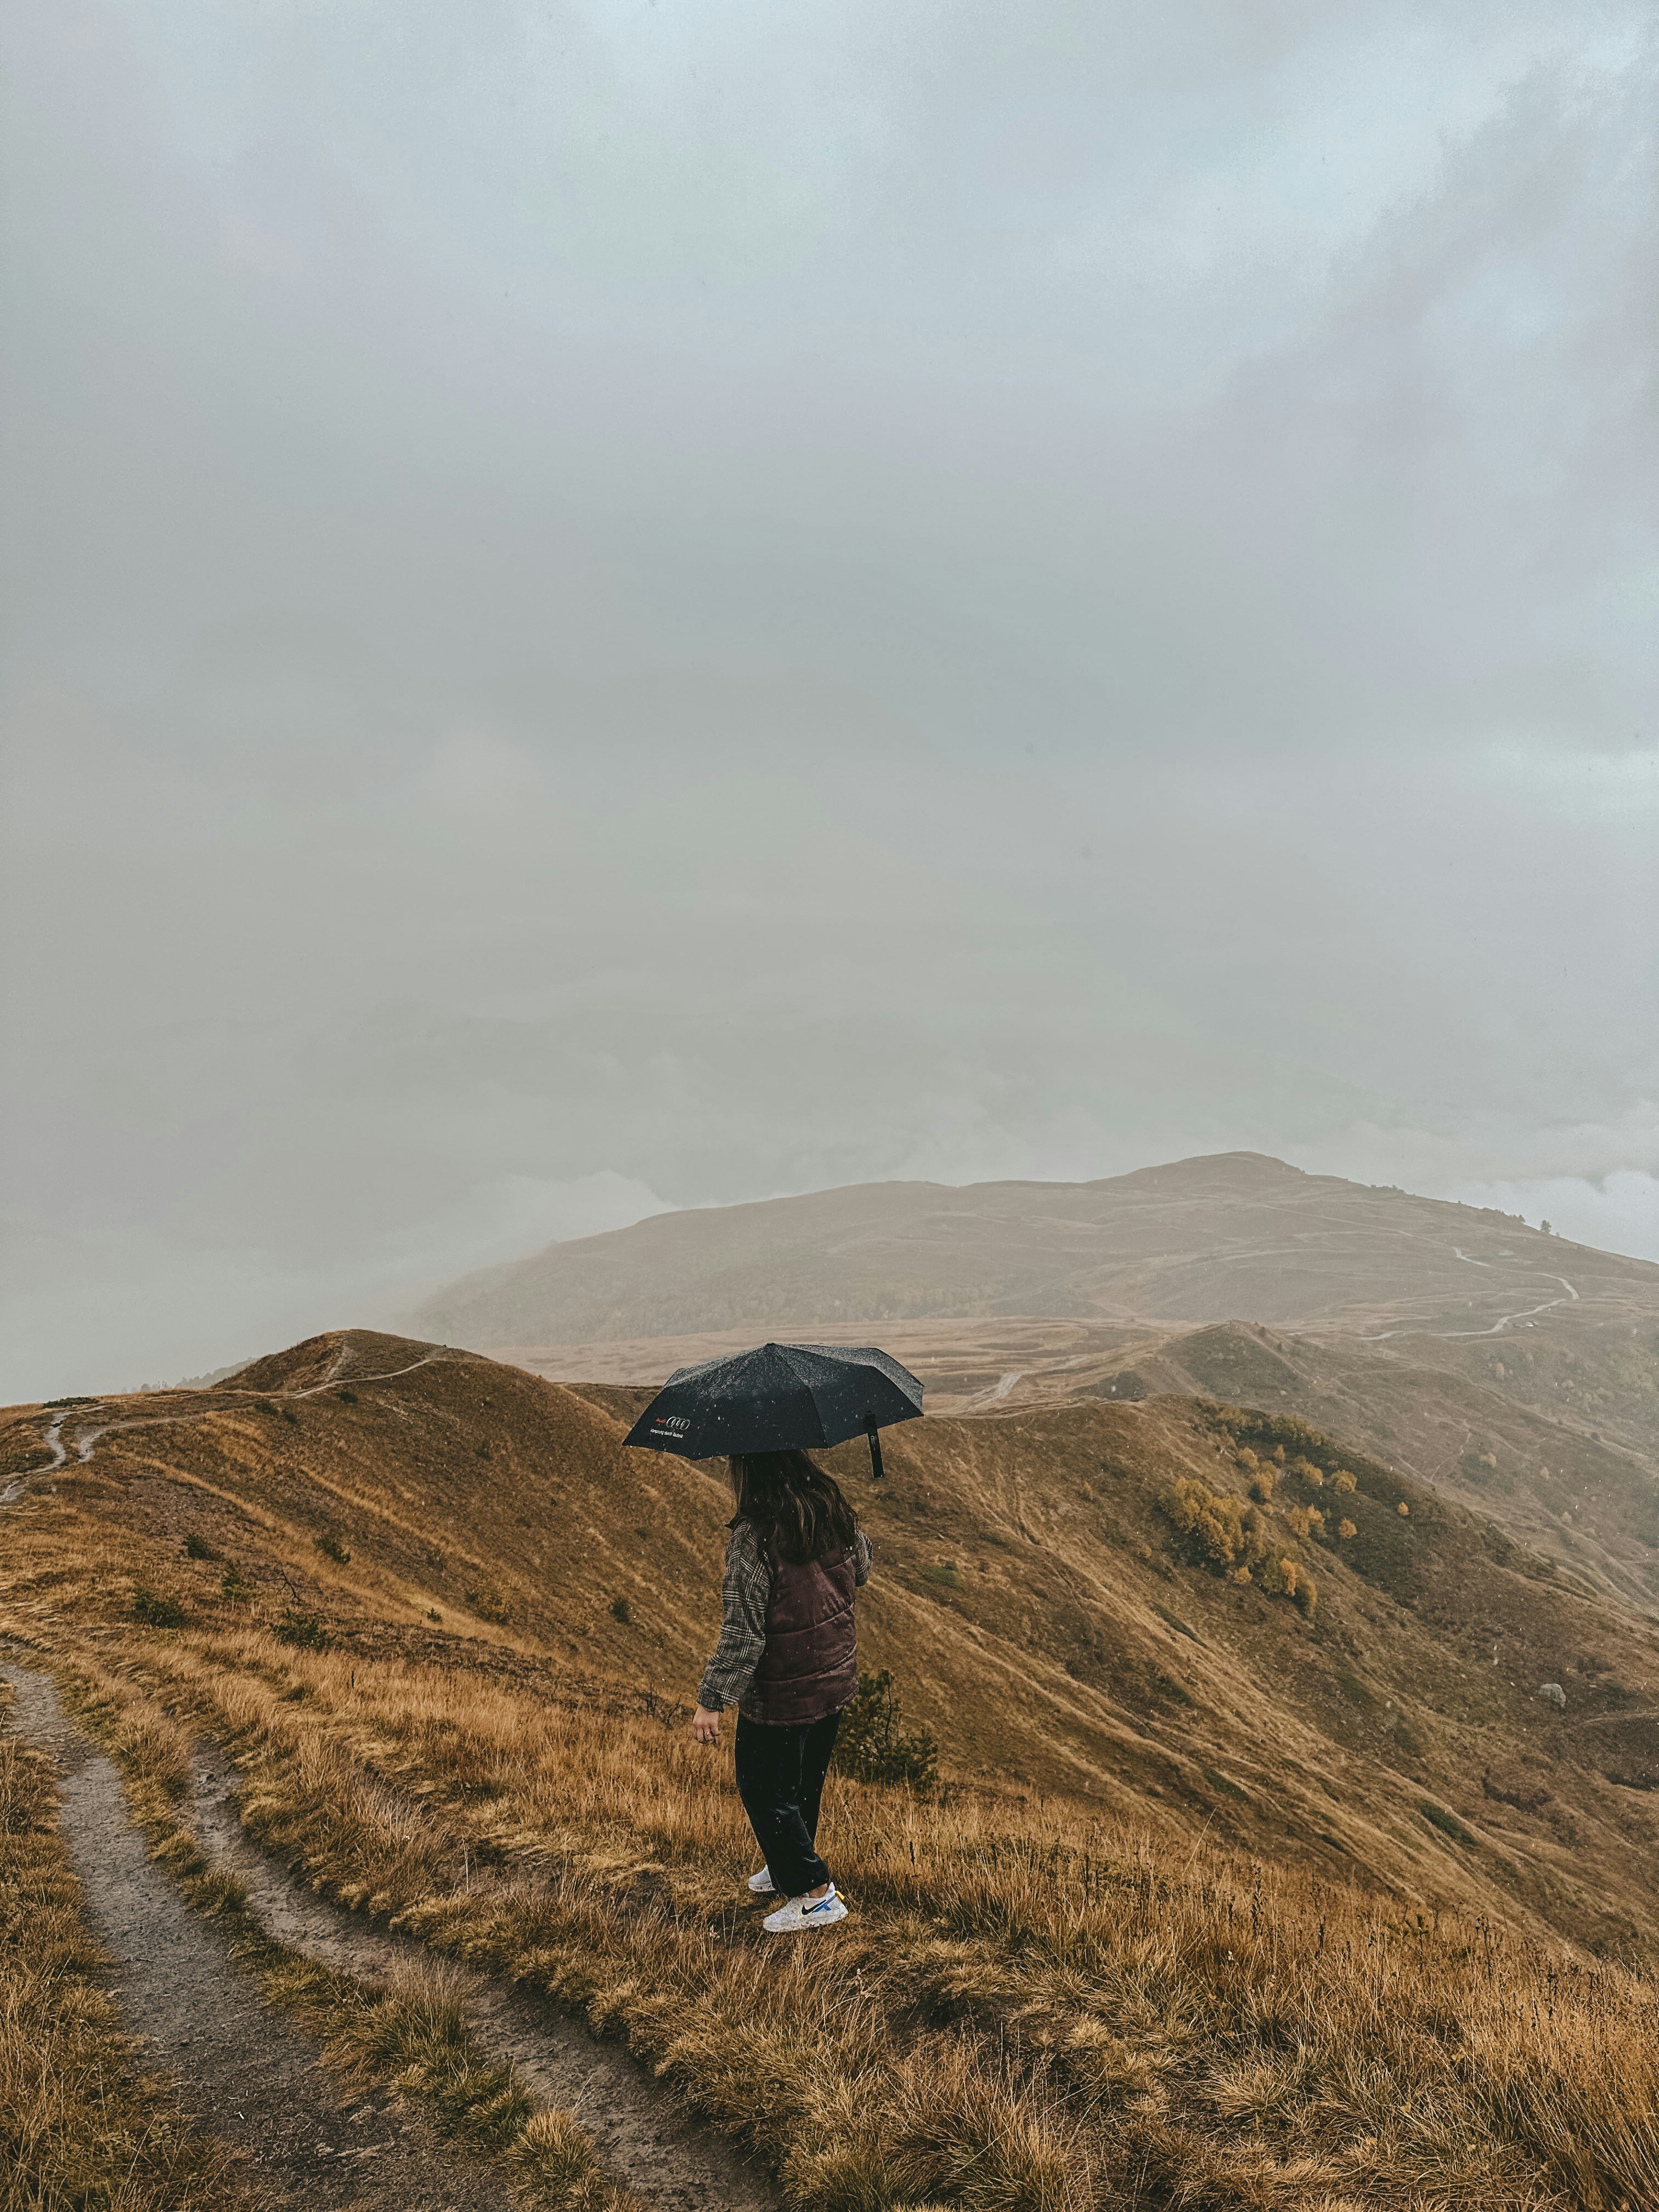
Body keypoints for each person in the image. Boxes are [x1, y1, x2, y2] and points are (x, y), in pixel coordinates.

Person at [690, 1448, 871, 1933]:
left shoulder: (755, 1536)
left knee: (764, 1788)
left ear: (749, 1468)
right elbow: (862, 1569)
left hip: (782, 1688)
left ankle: (816, 1895)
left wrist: (713, 1699)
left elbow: (743, 1633)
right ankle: (787, 1862)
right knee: (802, 1783)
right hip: (833, 1675)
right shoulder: (830, 1506)